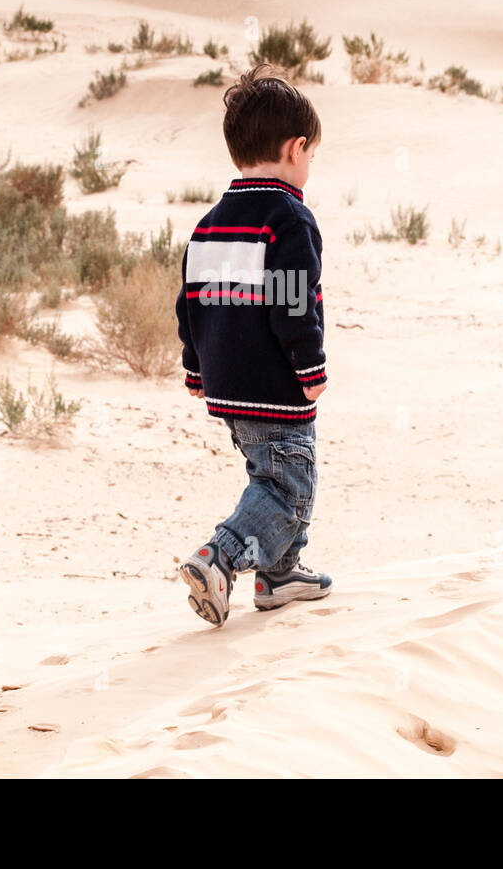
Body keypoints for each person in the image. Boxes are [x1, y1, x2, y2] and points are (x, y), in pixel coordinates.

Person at [175, 63, 332, 627]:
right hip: (276, 382)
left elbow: (190, 302)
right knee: (289, 487)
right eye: (312, 154)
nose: (310, 165)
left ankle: (282, 573)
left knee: (271, 474)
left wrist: (197, 370)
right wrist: (309, 365)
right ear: (295, 149)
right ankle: (219, 556)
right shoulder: (289, 218)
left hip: (227, 383)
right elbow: (294, 301)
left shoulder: (210, 223)